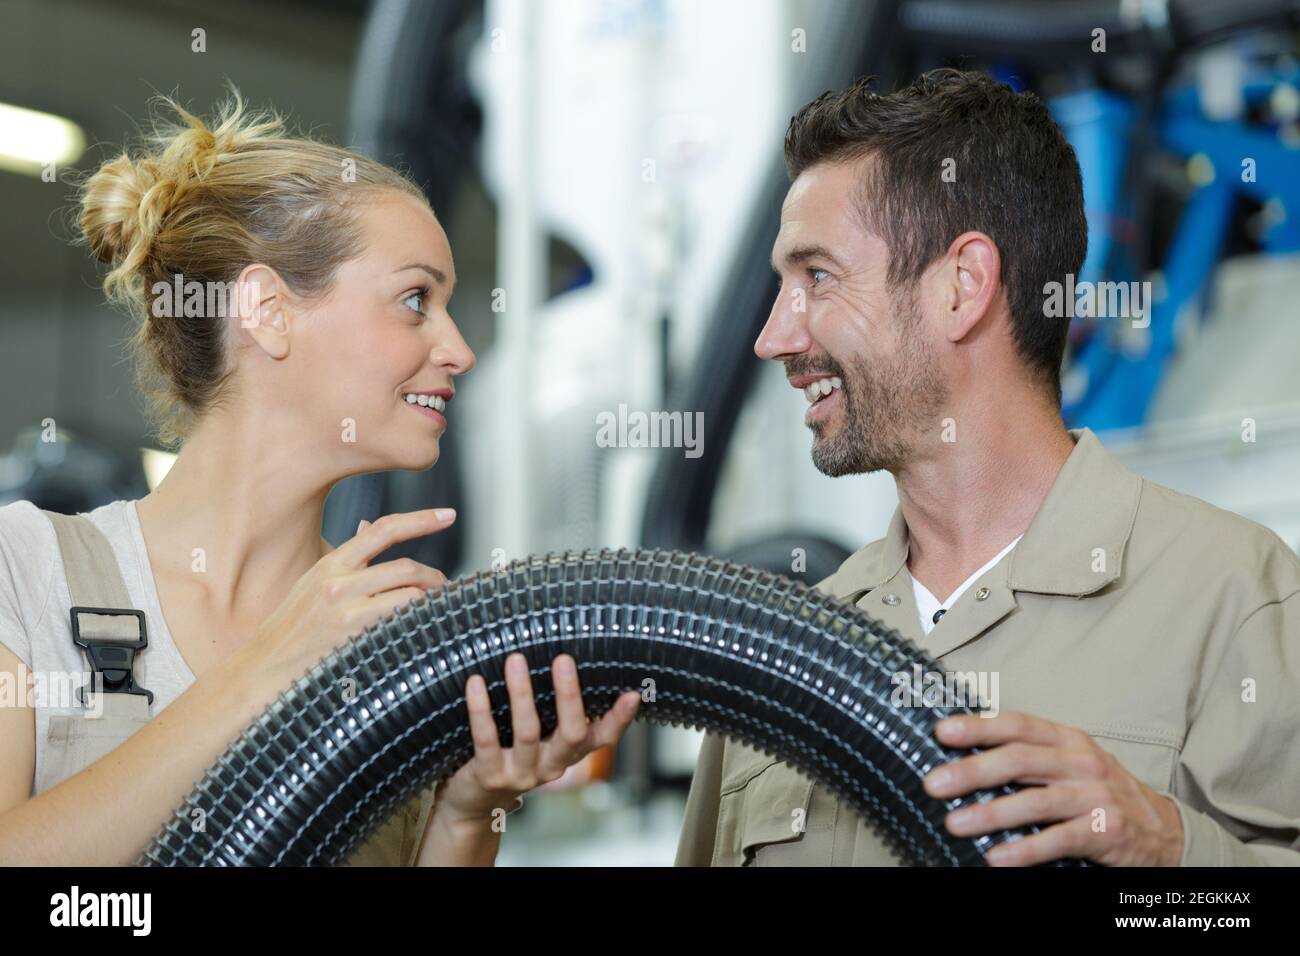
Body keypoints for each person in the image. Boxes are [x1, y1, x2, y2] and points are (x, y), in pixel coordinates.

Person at [675, 69, 1300, 866]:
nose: (772, 337)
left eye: (817, 277)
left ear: (963, 286)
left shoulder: (1236, 599)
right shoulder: (779, 656)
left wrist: (1170, 847)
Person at [0, 88, 640, 866]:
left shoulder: (390, 640)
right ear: (268, 309)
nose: (460, 350)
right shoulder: (26, 570)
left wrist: (471, 813)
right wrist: (263, 674)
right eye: (415, 300)